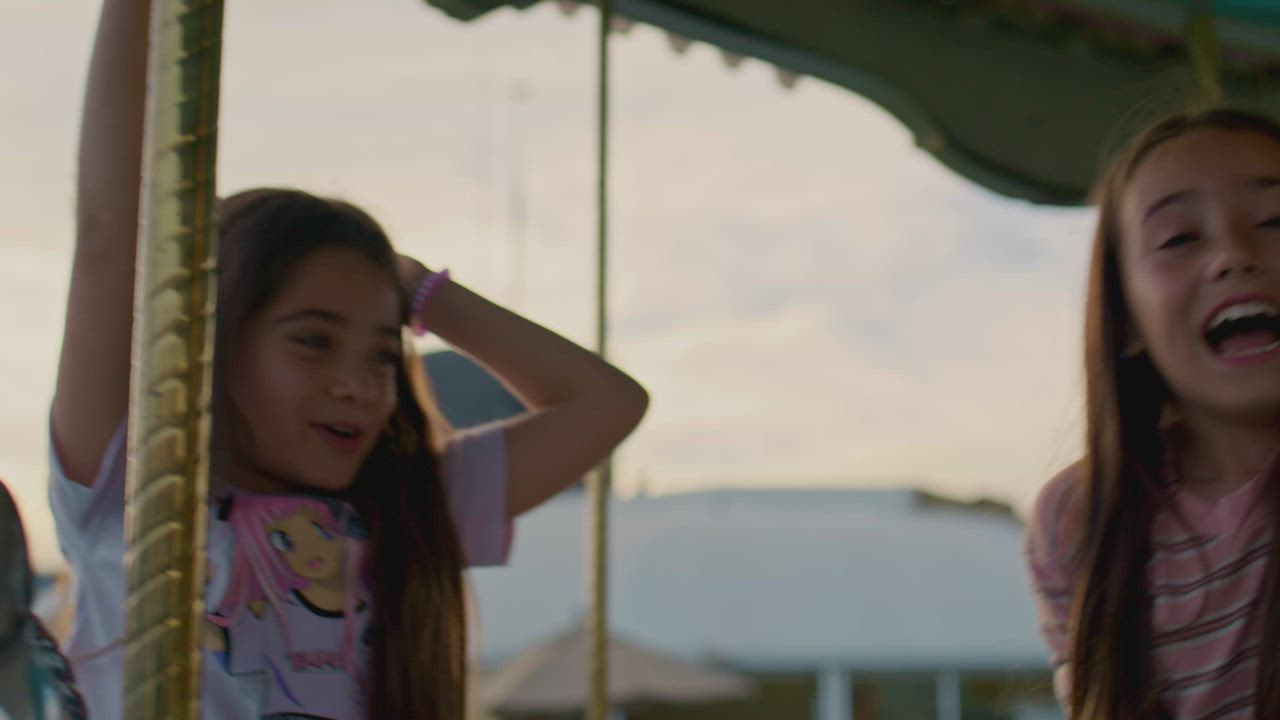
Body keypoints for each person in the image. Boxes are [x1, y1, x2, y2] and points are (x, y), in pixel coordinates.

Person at [50, 1, 649, 718]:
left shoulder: (403, 511)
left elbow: (606, 404)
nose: (358, 385)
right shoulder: (128, 493)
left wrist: (423, 294)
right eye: (313, 340)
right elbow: (109, 232)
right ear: (215, 344)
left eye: (383, 354)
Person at [1025, 108, 1280, 719]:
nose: (1234, 256)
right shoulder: (1079, 521)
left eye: (1276, 219)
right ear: (1128, 320)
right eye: (1179, 239)